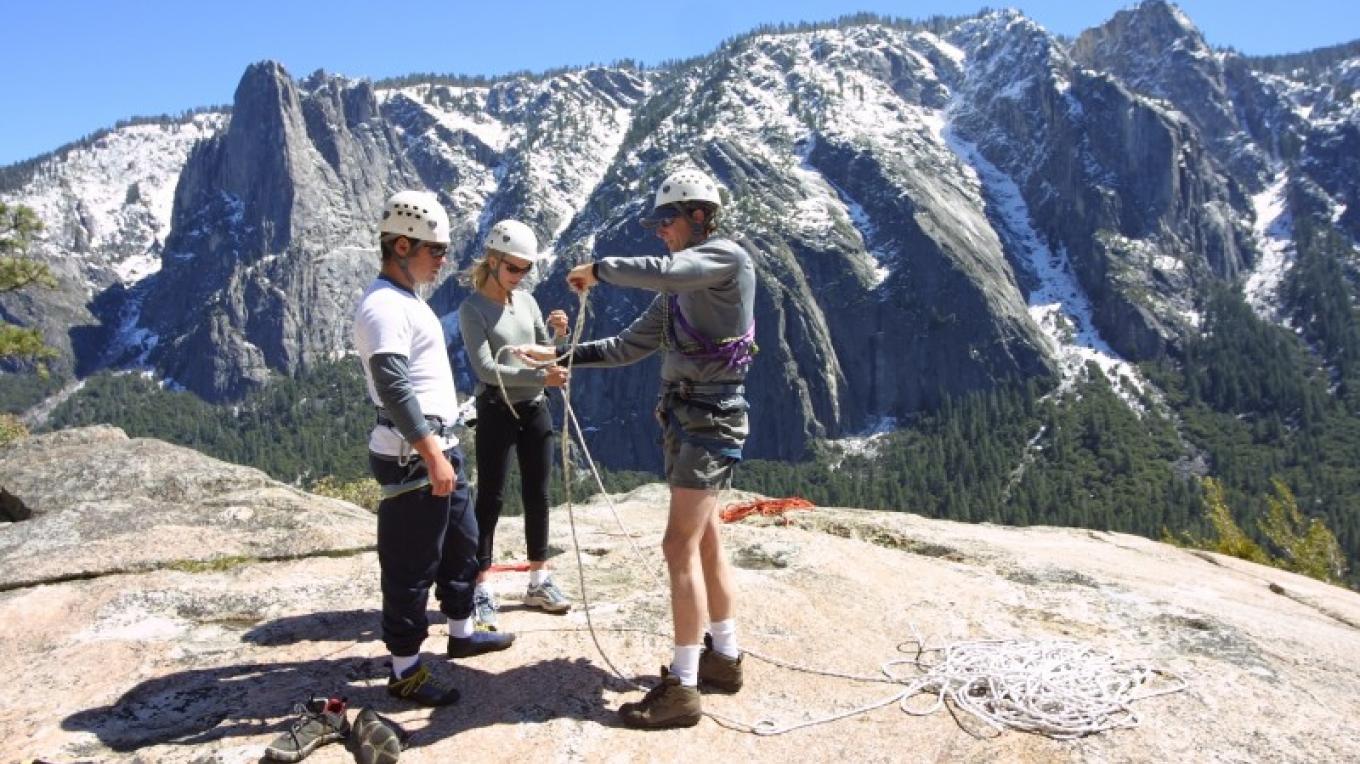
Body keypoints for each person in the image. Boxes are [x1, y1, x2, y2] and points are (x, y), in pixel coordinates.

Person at [561, 167, 756, 729]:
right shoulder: (682, 294)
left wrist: (600, 269)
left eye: (665, 220)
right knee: (706, 538)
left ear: (698, 215)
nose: (658, 230)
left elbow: (672, 271)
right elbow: (628, 346)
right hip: (691, 417)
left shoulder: (723, 259)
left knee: (677, 547)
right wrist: (559, 360)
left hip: (707, 419)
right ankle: (723, 657)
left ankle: (683, 687)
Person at [352, 190, 515, 708]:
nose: (444, 260)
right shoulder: (382, 306)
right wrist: (431, 453)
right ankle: (404, 671)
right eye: (436, 250)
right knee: (411, 564)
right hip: (414, 455)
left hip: (437, 446)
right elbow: (394, 385)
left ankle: (462, 633)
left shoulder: (407, 300)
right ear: (402, 245)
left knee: (461, 546)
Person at [458, 219, 574, 631]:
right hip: (497, 408)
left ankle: (538, 579)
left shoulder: (526, 302)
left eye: (526, 269)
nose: (520, 276)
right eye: (514, 268)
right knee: (489, 496)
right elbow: (487, 369)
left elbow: (545, 354)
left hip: (533, 407)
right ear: (492, 261)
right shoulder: (472, 310)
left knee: (538, 493)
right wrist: (542, 378)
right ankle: (480, 586)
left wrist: (559, 337)